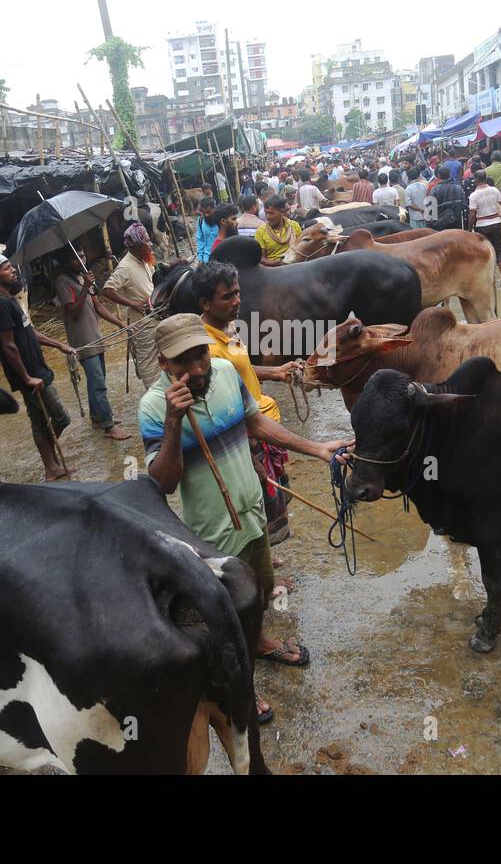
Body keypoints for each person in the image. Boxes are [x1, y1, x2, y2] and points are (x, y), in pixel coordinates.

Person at [140, 313, 350, 722]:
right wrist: (173, 423)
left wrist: (318, 448)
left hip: (253, 514)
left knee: (262, 588)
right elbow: (162, 483)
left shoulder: (224, 371)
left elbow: (256, 422)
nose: (197, 367)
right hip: (211, 534)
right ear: (164, 363)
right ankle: (237, 688)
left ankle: (258, 640)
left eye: (200, 354)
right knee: (226, 616)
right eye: (184, 361)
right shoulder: (153, 406)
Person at [196, 261, 304, 547]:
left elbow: (240, 370)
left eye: (237, 292)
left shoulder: (227, 327)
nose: (237, 300)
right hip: (250, 435)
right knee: (260, 508)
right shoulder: (205, 349)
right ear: (205, 303)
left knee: (274, 500)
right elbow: (219, 406)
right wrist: (249, 450)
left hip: (263, 422)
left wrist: (276, 373)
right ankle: (264, 573)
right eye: (228, 296)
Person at [0, 252, 75, 480]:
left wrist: (58, 345)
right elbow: (8, 346)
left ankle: (52, 467)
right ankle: (51, 464)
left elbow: (28, 330)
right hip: (30, 373)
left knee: (40, 420)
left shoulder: (9, 299)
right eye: (7, 268)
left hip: (35, 369)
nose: (14, 270)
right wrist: (27, 378)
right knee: (59, 418)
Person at [55, 246, 130, 440]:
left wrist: (119, 323)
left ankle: (97, 417)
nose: (81, 259)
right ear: (66, 262)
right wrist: (84, 287)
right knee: (98, 384)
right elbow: (73, 311)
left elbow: (97, 306)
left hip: (95, 335)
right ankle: (108, 425)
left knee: (98, 378)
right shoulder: (63, 282)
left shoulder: (82, 277)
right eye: (76, 258)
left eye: (82, 255)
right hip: (83, 340)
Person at [101, 223, 161, 388]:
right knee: (148, 360)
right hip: (142, 322)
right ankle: (153, 393)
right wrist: (133, 303)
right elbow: (107, 289)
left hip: (156, 315)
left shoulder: (146, 259)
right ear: (135, 246)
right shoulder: (125, 267)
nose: (150, 244)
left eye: (149, 240)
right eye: (146, 242)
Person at [468, 173, 501, 286]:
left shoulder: (473, 195)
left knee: (483, 252)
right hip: (495, 223)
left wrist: (469, 230)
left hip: (481, 225)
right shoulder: (494, 190)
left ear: (476, 179)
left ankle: (487, 279)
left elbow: (472, 214)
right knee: (498, 250)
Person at [256, 195, 302, 267]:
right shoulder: (260, 232)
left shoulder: (294, 226)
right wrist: (281, 262)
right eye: (266, 213)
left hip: (294, 267)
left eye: (271, 213)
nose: (267, 217)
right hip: (273, 271)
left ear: (282, 212)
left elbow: (301, 249)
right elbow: (261, 259)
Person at [195, 195, 217, 262]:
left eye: (208, 212)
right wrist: (200, 258)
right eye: (203, 213)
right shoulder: (200, 221)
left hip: (220, 257)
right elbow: (200, 240)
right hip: (206, 259)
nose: (206, 215)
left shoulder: (221, 220)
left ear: (214, 208)